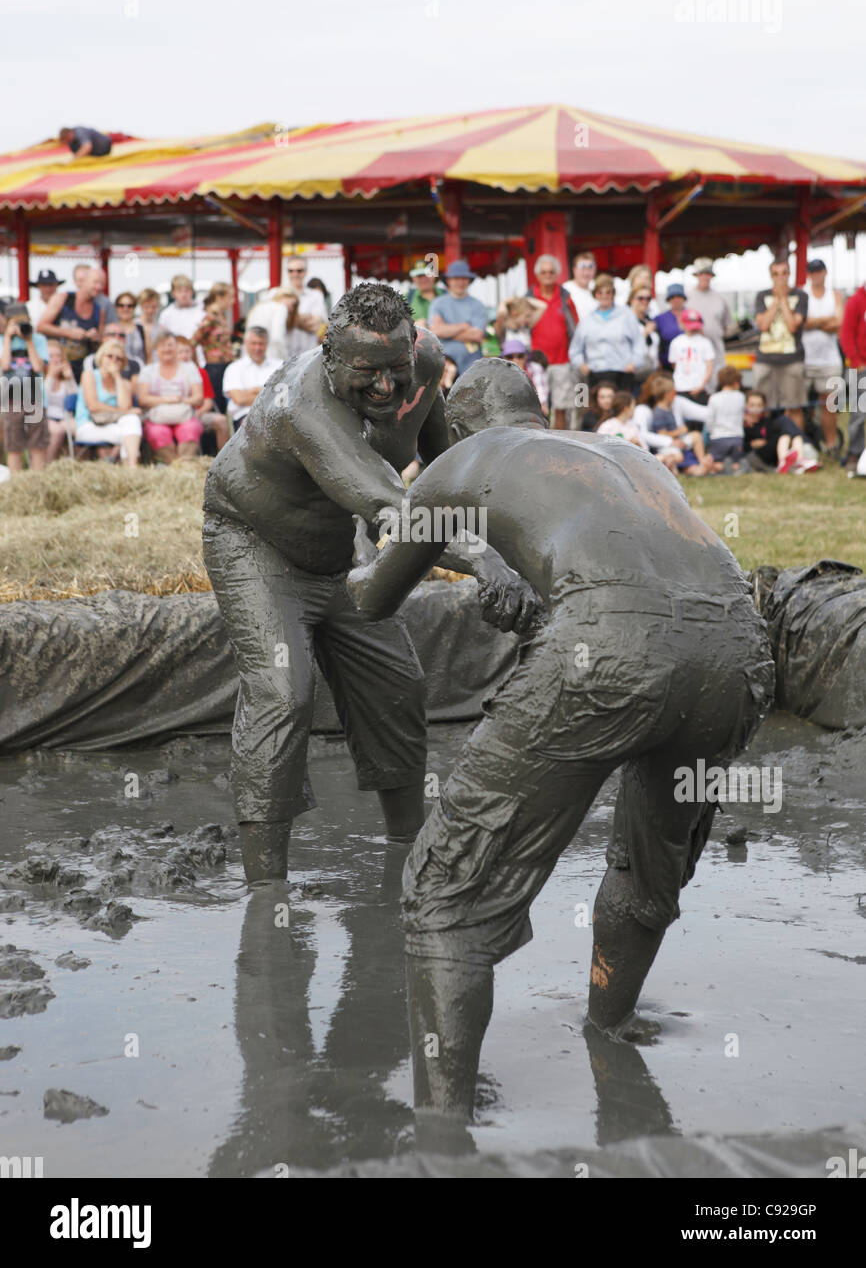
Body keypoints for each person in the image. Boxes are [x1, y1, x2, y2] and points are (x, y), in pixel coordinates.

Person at [344, 358, 774, 1119]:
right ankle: (612, 1028)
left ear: (462, 423)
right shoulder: (628, 455)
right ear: (538, 412)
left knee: (446, 887)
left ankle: (443, 1130)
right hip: (737, 654)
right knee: (650, 869)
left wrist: (347, 558)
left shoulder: (456, 464)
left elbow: (375, 599)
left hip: (612, 647)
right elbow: (636, 584)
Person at [201, 283, 542, 884]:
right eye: (368, 373)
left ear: (414, 348)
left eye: (397, 370)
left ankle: (406, 847)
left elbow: (447, 471)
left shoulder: (425, 362)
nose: (387, 388)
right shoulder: (302, 408)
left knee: (397, 684)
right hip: (258, 545)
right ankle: (265, 885)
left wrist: (520, 548)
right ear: (331, 357)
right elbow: (392, 506)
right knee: (283, 692)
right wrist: (484, 561)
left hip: (342, 546)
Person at [753, 257, 808, 429]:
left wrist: (783, 299)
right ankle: (767, 444)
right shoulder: (762, 296)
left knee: (794, 406)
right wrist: (776, 300)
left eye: (784, 273)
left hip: (792, 360)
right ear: (771, 276)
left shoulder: (800, 295)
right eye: (776, 274)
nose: (780, 277)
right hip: (765, 359)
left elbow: (792, 326)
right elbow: (763, 325)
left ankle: (798, 443)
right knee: (762, 407)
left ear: (789, 274)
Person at [524, 255, 579, 430]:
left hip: (562, 361)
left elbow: (576, 328)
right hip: (535, 363)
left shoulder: (565, 297)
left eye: (551, 272)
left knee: (561, 407)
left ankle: (560, 443)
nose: (548, 275)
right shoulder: (528, 297)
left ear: (557, 274)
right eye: (544, 272)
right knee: (537, 407)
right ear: (537, 275)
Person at [569, 273, 644, 394]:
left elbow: (639, 343)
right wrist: (582, 365)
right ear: (595, 294)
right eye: (600, 292)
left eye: (608, 292)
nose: (604, 296)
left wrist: (634, 363)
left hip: (622, 373)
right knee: (586, 405)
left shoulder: (627, 315)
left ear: (613, 294)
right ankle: (582, 411)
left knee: (621, 410)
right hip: (594, 373)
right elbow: (575, 349)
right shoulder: (587, 320)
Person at [136, 332, 204, 462]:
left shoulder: (189, 368)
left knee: (190, 429)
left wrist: (181, 400)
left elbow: (198, 398)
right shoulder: (148, 371)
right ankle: (174, 467)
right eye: (162, 345)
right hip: (156, 418)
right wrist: (167, 400)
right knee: (157, 433)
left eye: (170, 345)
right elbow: (142, 399)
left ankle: (185, 466)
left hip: (184, 416)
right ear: (156, 349)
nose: (166, 349)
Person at [74, 338, 142, 464]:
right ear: (101, 357)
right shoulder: (89, 375)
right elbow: (93, 406)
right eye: (110, 356)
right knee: (130, 435)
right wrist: (123, 412)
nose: (114, 361)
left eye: (118, 359)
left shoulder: (124, 383)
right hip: (89, 425)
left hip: (114, 424)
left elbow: (125, 406)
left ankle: (131, 467)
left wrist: (117, 377)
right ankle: (132, 469)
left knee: (132, 421)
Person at [802, 260, 844, 454]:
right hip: (804, 360)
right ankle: (801, 446)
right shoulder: (803, 294)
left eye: (818, 271)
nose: (816, 275)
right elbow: (802, 323)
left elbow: (839, 323)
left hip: (830, 361)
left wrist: (814, 323)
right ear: (808, 274)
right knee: (800, 406)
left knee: (830, 405)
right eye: (812, 272)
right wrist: (826, 322)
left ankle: (831, 445)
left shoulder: (834, 295)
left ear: (825, 272)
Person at [1, 314, 50, 472]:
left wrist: (29, 340)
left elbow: (37, 367)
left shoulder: (39, 339)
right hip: (11, 396)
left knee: (38, 443)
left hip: (35, 394)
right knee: (14, 445)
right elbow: (5, 365)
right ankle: (17, 484)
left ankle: (37, 481)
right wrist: (8, 338)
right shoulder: (2, 340)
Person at [36, 266, 103, 380]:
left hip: (83, 370)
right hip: (57, 367)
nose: (99, 287)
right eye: (96, 282)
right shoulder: (63, 298)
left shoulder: (99, 310)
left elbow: (100, 343)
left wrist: (95, 338)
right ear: (84, 281)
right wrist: (68, 332)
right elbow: (41, 327)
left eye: (102, 284)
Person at [427, 260, 489, 377]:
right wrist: (464, 326)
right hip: (444, 368)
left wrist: (446, 331)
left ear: (469, 280)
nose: (460, 282)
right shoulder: (438, 303)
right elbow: (435, 331)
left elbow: (477, 335)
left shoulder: (478, 305)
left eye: (463, 278)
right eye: (456, 278)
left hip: (472, 369)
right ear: (448, 281)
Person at [687, 257, 735, 390]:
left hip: (716, 353)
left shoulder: (720, 299)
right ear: (696, 275)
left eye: (707, 273)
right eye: (701, 273)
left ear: (711, 276)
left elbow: (728, 326)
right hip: (693, 355)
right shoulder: (687, 297)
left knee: (715, 387)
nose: (704, 277)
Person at [650, 375, 713, 474]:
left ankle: (702, 462)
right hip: (667, 446)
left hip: (677, 442)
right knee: (679, 457)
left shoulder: (670, 408)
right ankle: (672, 467)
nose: (675, 395)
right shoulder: (659, 412)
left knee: (696, 435)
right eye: (673, 393)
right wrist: (679, 431)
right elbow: (662, 434)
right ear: (667, 395)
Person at [742, 390, 817, 474]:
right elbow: (740, 446)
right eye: (752, 405)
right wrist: (751, 444)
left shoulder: (766, 422)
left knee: (790, 434)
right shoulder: (742, 424)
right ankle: (792, 461)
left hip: (772, 452)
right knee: (784, 429)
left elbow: (773, 437)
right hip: (756, 455)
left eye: (759, 405)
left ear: (764, 406)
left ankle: (795, 460)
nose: (755, 408)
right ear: (746, 405)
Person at [221, 326, 282, 427]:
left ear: (267, 344)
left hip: (277, 416)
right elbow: (239, 399)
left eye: (261, 344)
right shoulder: (234, 368)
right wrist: (269, 392)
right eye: (253, 343)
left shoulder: (280, 365)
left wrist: (251, 391)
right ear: (245, 343)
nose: (257, 348)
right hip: (246, 417)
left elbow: (284, 397)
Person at [176, 339, 230, 451]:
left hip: (199, 413)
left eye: (187, 351)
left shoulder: (201, 372)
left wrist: (198, 413)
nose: (184, 355)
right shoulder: (170, 373)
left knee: (221, 420)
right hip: (176, 414)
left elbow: (208, 401)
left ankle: (224, 459)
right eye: (180, 352)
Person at [192, 283, 235, 410]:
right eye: (230, 297)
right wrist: (196, 364)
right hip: (215, 367)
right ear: (219, 297)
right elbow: (194, 341)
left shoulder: (221, 316)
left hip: (226, 365)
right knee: (217, 404)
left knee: (225, 403)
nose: (233, 301)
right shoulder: (210, 318)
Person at [839, 276, 866, 473]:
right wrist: (856, 362)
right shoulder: (856, 301)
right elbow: (846, 333)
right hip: (860, 366)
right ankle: (855, 453)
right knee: (858, 414)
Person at [284, 255, 329, 354]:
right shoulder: (276, 293)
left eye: (299, 270)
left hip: (309, 356)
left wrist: (291, 319)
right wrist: (305, 318)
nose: (295, 274)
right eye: (291, 270)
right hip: (284, 357)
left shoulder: (316, 295)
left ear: (305, 272)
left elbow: (315, 326)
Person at [668, 308, 715, 402]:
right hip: (680, 387)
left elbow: (710, 367)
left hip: (699, 388)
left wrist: (702, 386)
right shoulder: (676, 342)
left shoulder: (705, 342)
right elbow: (674, 364)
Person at [705, 365, 746, 472]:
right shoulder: (741, 397)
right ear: (736, 382)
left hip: (718, 436)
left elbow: (709, 419)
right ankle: (734, 468)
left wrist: (710, 432)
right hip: (737, 436)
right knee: (736, 461)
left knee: (717, 461)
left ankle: (722, 468)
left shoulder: (714, 398)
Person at [43, 342, 79, 462]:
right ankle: (47, 466)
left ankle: (78, 465)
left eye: (58, 355)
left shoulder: (65, 377)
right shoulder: (39, 375)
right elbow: (42, 400)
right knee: (57, 431)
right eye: (51, 356)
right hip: (44, 417)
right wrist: (51, 376)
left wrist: (70, 378)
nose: (55, 359)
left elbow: (75, 400)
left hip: (65, 417)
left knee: (82, 428)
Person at [246, 287, 300, 365]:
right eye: (293, 304)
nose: (292, 309)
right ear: (285, 296)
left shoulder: (259, 306)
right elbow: (277, 338)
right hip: (269, 358)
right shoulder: (281, 308)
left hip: (252, 357)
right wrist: (285, 360)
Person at [500, 336, 549, 416]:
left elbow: (541, 396)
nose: (515, 360)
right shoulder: (499, 372)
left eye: (520, 356)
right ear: (503, 358)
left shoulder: (535, 368)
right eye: (510, 357)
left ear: (526, 356)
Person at [158, 274, 205, 342]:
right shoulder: (166, 314)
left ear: (192, 292)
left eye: (187, 290)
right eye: (179, 291)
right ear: (173, 293)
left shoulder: (203, 309)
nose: (184, 294)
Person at [652, 283, 686, 370]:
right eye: (672, 297)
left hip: (689, 362)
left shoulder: (692, 315)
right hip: (667, 364)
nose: (676, 300)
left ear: (683, 298)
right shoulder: (660, 319)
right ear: (669, 300)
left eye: (678, 296)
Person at [112, 291, 148, 369]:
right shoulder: (111, 329)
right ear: (116, 308)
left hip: (139, 373)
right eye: (121, 305)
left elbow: (148, 356)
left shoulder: (141, 329)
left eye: (130, 306)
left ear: (134, 308)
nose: (125, 308)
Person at [563, 251, 597, 317]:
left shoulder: (598, 287)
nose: (586, 273)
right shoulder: (565, 289)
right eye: (583, 269)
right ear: (574, 270)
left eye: (590, 269)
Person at [136, 288, 162, 357]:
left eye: (153, 307)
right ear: (141, 306)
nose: (150, 310)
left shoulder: (161, 329)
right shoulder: (134, 326)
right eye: (146, 307)